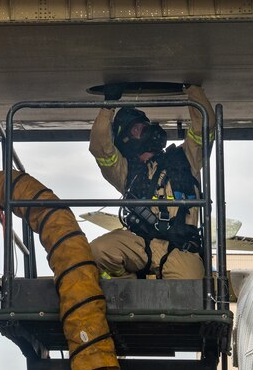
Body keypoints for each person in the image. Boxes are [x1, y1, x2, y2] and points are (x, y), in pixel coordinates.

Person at [88, 85, 214, 280]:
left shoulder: (186, 158)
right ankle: (129, 286)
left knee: (191, 285)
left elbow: (205, 126)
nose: (144, 129)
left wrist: (193, 89)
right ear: (126, 140)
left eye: (144, 125)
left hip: (180, 248)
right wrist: (108, 106)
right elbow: (99, 147)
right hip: (139, 244)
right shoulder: (125, 172)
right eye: (137, 128)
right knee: (96, 252)